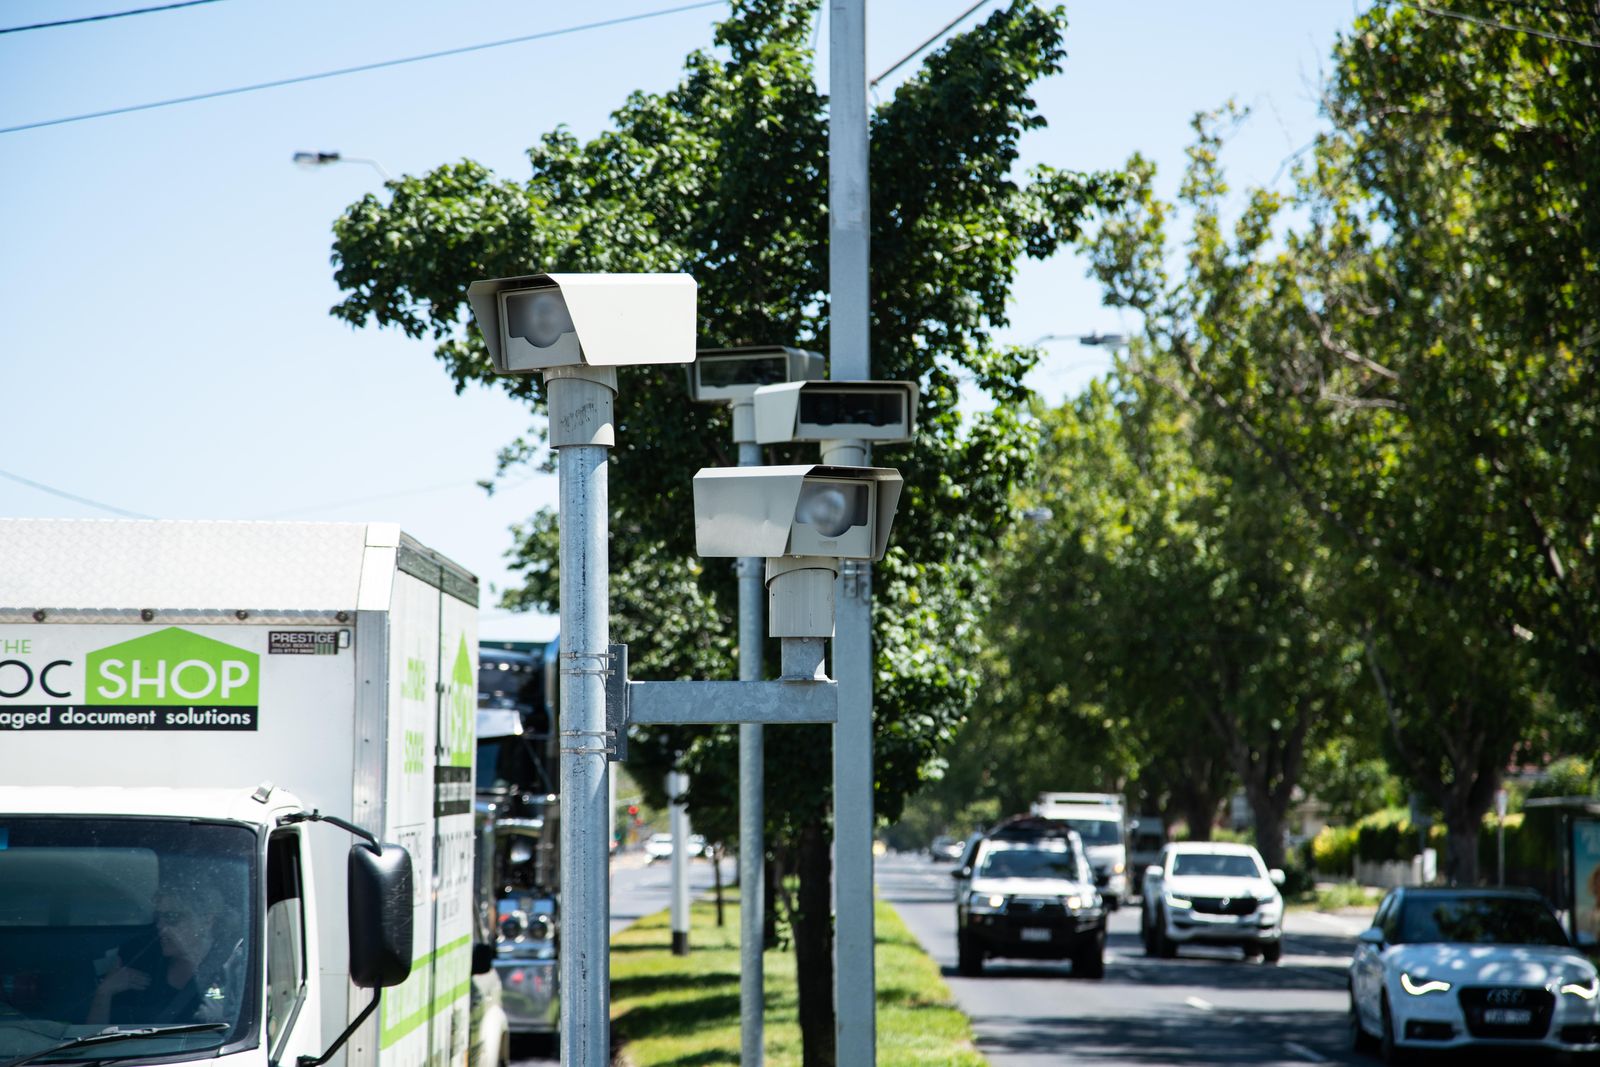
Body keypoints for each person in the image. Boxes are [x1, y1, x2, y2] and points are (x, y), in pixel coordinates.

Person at [88, 880, 240, 1026]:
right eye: (158, 918)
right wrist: (104, 993)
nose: (160, 926)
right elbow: (93, 1039)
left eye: (172, 917)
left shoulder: (236, 965)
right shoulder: (140, 963)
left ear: (207, 920)